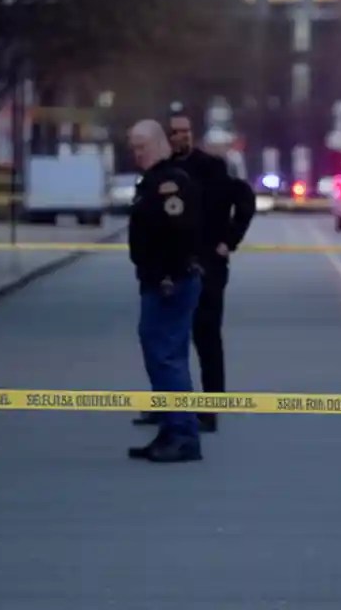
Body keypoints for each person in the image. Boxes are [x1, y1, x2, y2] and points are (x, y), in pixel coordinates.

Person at [133, 111, 255, 433]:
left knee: (206, 335)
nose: (181, 137)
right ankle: (168, 406)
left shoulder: (211, 168)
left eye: (185, 131)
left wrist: (229, 241)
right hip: (172, 266)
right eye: (174, 132)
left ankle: (210, 408)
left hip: (208, 266)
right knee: (169, 341)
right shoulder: (161, 172)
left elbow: (244, 199)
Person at [126, 119, 204, 463]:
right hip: (156, 280)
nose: (136, 153)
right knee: (162, 355)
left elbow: (180, 234)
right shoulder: (152, 182)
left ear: (158, 144)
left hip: (169, 283)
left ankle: (183, 434)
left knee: (167, 357)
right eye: (133, 147)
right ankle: (170, 428)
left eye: (141, 146)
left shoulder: (170, 183)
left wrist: (169, 276)